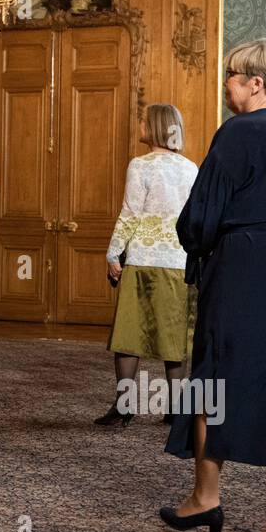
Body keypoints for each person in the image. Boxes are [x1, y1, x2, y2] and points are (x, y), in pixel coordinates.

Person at [160, 38, 266, 532]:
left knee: (215, 375)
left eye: (231, 77)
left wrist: (193, 240)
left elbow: (200, 216)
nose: (226, 86)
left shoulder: (238, 132)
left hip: (244, 264)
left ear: (256, 82)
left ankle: (205, 499)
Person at [96, 104, 198, 428]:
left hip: (142, 260)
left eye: (142, 120)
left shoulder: (140, 166)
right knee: (174, 340)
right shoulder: (191, 168)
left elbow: (130, 214)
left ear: (153, 127)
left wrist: (113, 253)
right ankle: (177, 410)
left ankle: (125, 406)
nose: (139, 124)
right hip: (179, 263)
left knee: (129, 336)